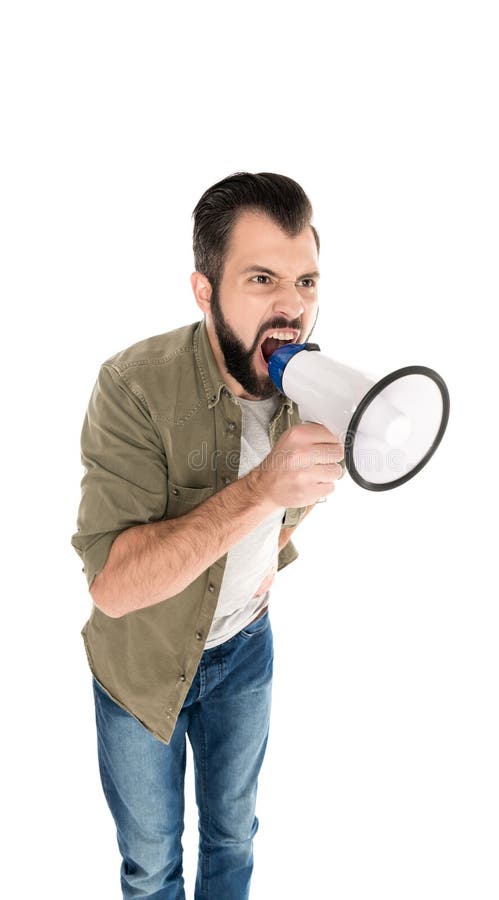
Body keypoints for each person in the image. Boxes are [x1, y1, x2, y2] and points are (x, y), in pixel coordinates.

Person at [71, 171, 346, 899]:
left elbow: (299, 500)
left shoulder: (312, 386)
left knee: (233, 836)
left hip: (245, 649)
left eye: (306, 281)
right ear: (205, 290)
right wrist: (262, 489)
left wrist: (273, 544)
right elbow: (114, 588)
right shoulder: (132, 386)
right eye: (262, 279)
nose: (292, 306)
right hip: (141, 662)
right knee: (150, 863)